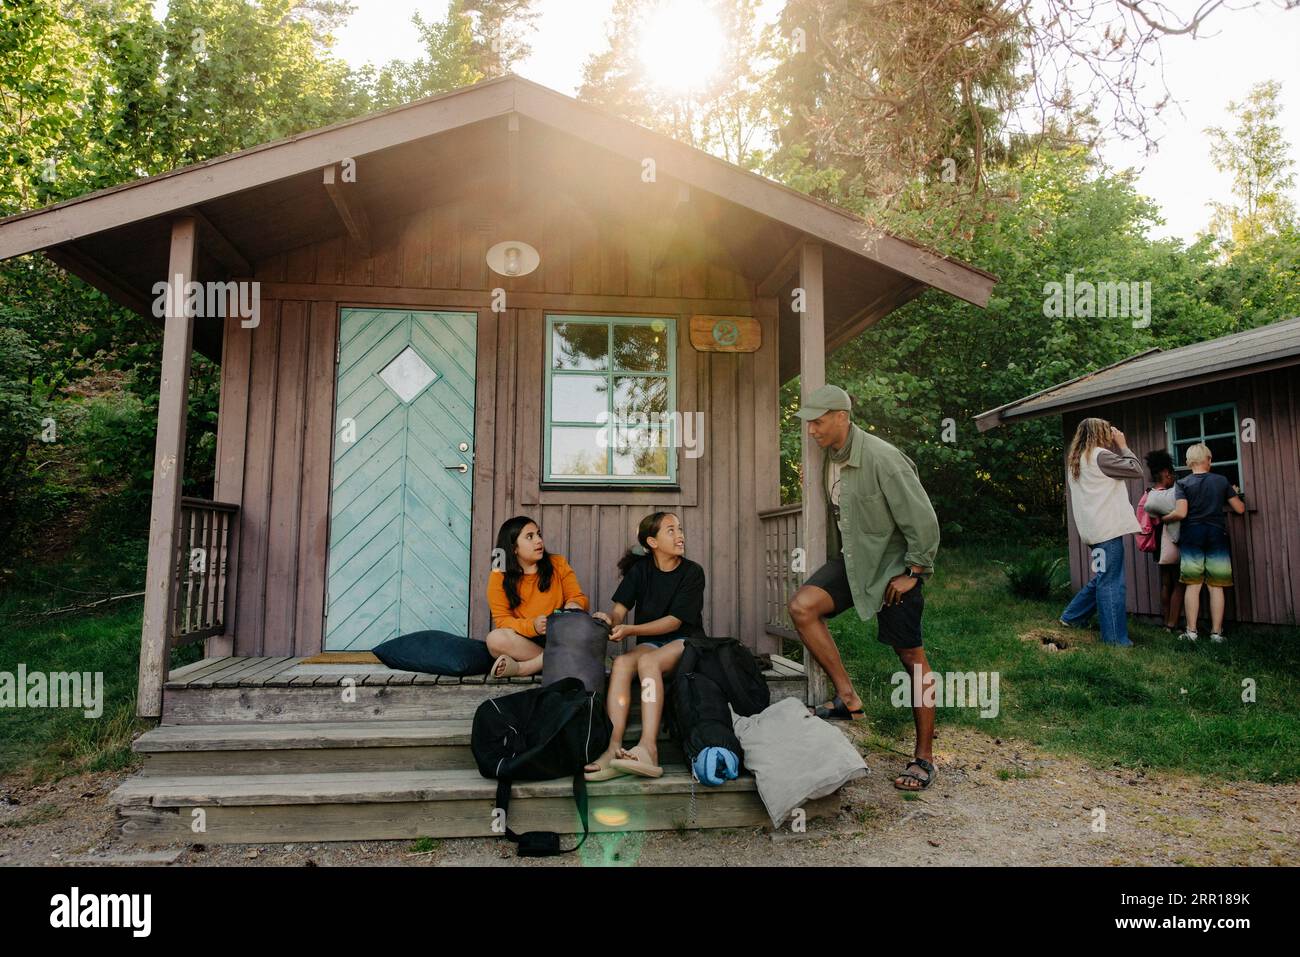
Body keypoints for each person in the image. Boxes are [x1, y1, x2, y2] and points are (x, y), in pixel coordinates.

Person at [785, 385, 941, 792]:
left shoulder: (883, 459)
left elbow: (923, 519)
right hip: (854, 564)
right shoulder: (828, 457)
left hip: (893, 570)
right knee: (803, 606)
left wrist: (915, 570)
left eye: (818, 421)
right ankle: (848, 698)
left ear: (842, 417)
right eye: (810, 423)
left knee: (911, 658)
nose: (812, 430)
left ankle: (924, 757)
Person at [583, 511, 706, 781]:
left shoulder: (693, 572)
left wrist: (631, 630)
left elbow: (674, 623)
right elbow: (619, 611)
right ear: (652, 541)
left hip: (685, 642)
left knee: (647, 662)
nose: (680, 535)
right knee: (623, 662)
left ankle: (648, 748)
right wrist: (610, 619)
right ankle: (614, 747)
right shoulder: (640, 571)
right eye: (671, 531)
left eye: (680, 529)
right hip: (652, 643)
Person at [1059, 418, 1142, 646]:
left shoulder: (1077, 459)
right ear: (1100, 434)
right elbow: (1136, 470)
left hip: (1092, 531)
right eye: (1107, 432)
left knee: (1105, 576)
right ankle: (1115, 639)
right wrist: (1123, 444)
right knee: (1112, 582)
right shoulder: (1100, 455)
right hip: (1106, 531)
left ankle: (1072, 617)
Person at [486, 516, 588, 678]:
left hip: (559, 636)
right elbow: (502, 620)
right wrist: (532, 626)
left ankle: (524, 668)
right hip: (525, 641)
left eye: (538, 534)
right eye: (530, 537)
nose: (539, 541)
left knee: (580, 630)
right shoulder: (499, 574)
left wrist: (573, 606)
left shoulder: (558, 563)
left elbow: (577, 597)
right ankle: (562, 661)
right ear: (514, 548)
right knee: (495, 640)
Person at [1165, 443, 1246, 643]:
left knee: (1193, 584)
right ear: (1208, 460)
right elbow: (1240, 509)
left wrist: (1165, 518)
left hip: (1192, 535)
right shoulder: (1221, 481)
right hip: (1216, 534)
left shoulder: (1182, 483)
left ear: (1188, 462)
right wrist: (1233, 492)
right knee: (1216, 585)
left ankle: (1191, 632)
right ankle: (1216, 634)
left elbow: (1181, 513)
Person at [1141, 449, 1184, 633]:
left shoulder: (1148, 493)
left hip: (1158, 542)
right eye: (1172, 473)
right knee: (1179, 582)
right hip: (1170, 541)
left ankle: (1166, 622)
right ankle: (1172, 624)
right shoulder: (1168, 495)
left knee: (1166, 582)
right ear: (1166, 473)